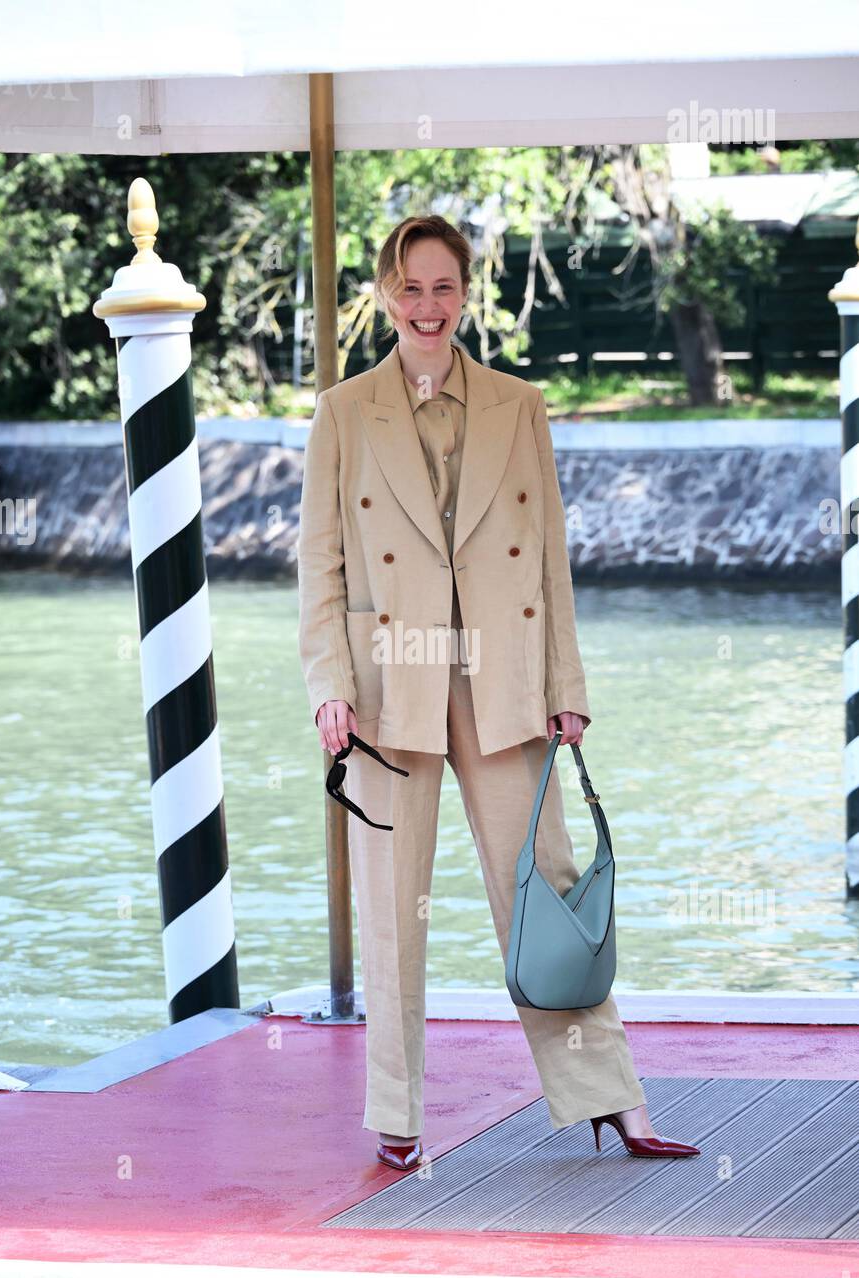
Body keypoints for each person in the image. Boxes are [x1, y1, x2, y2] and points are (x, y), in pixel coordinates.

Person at [297, 214, 699, 1169]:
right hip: (392, 688)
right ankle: (396, 1116)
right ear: (386, 297)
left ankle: (611, 1098)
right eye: (410, 288)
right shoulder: (343, 413)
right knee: (393, 907)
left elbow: (550, 557)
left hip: (502, 677)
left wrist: (569, 684)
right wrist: (329, 687)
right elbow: (320, 565)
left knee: (548, 894)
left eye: (443, 288)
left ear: (465, 295)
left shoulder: (520, 404)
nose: (427, 307)